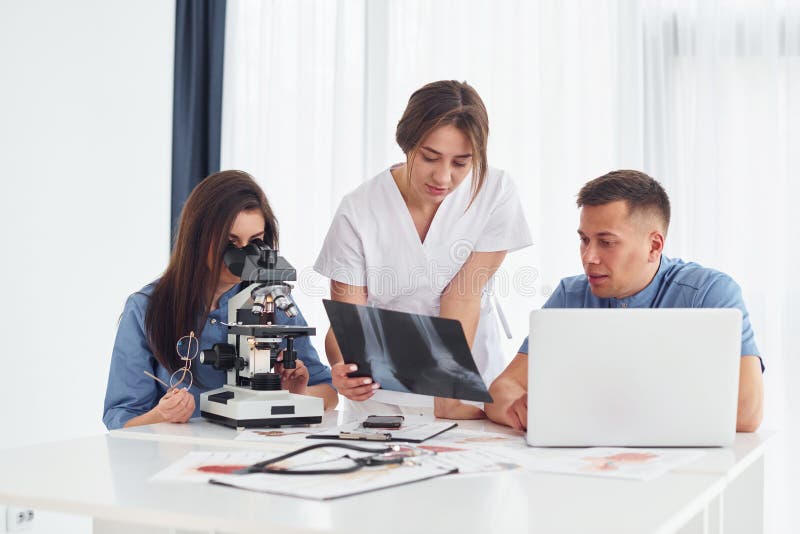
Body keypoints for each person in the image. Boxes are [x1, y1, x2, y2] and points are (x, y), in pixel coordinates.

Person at [314, 80, 532, 418]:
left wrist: (449, 399)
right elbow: (347, 321)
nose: (443, 177)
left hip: (463, 388)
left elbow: (462, 295)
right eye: (431, 157)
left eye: (462, 163)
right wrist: (344, 367)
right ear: (407, 143)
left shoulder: (494, 191)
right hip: (380, 396)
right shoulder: (358, 210)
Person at [485, 170, 764, 432]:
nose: (588, 257)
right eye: (584, 240)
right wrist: (519, 410)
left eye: (606, 242)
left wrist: (589, 413)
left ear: (654, 246)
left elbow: (747, 411)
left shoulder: (711, 293)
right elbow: (501, 390)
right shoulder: (570, 295)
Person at [103, 170, 336, 430]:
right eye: (230, 242)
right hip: (178, 457)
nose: (244, 254)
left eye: (255, 242)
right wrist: (162, 415)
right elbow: (120, 419)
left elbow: (329, 391)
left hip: (257, 452)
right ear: (198, 238)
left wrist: (294, 394)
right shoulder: (146, 308)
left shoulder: (268, 298)